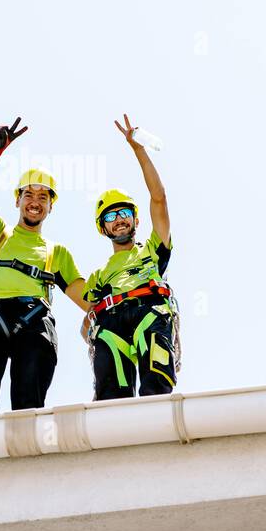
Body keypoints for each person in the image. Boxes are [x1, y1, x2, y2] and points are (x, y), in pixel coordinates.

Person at [0, 115, 90, 415]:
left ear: (50, 206)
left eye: (43, 196)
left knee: (29, 409)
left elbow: (88, 301)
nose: (35, 201)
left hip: (33, 321)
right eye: (29, 194)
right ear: (18, 200)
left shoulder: (57, 253)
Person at [81, 114, 178, 400]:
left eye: (124, 213)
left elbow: (158, 198)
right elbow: (87, 316)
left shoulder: (152, 249)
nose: (119, 219)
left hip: (150, 313)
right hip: (112, 325)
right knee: (111, 399)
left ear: (135, 219)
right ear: (103, 227)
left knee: (155, 388)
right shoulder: (99, 276)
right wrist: (88, 329)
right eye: (111, 216)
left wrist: (139, 150)